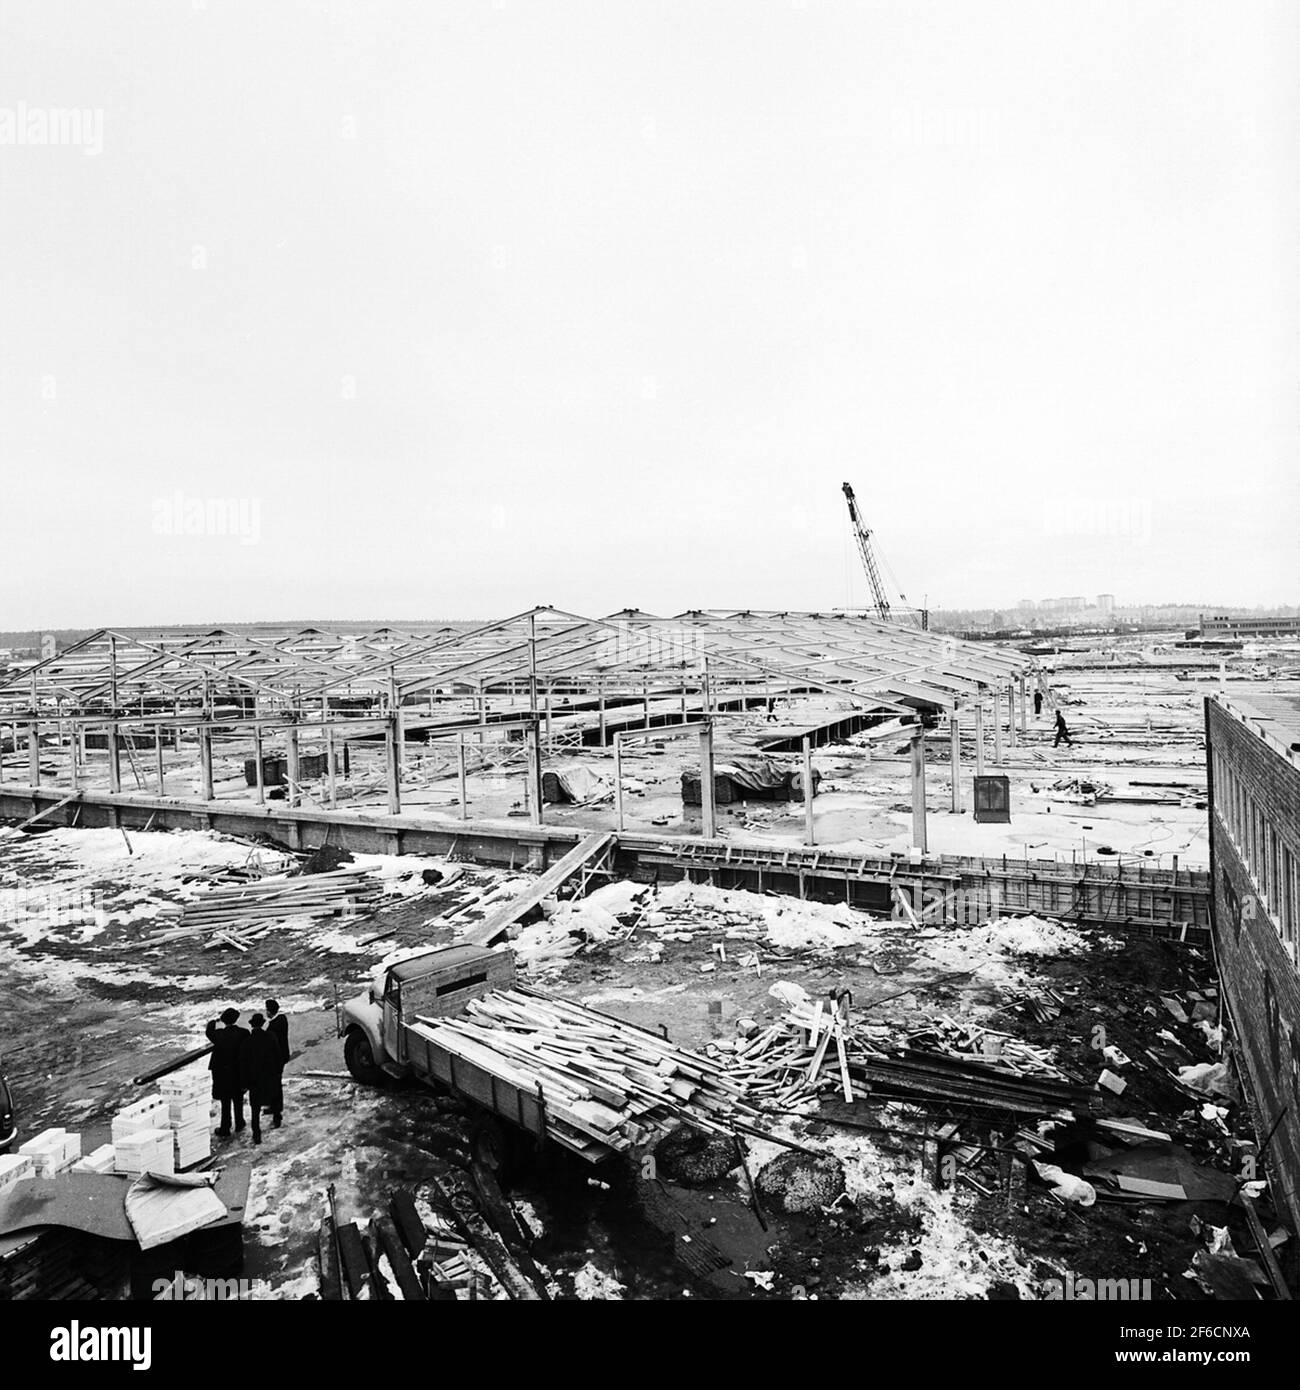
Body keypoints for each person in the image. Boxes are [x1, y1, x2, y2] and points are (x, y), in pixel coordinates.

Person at [239, 1013, 284, 1146]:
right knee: (275, 1097)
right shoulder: (271, 1037)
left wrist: (244, 1083)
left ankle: (256, 1134)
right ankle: (277, 1119)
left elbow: (243, 1063)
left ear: (252, 1025)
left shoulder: (247, 1042)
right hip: (270, 1076)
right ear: (263, 1024)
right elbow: (278, 1055)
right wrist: (278, 1071)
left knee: (255, 1107)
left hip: (255, 1080)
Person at [206, 1008, 248, 1138]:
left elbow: (209, 1031)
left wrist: (214, 1020)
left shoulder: (219, 1035)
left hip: (223, 1072)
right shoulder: (244, 1033)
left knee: (225, 1101)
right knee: (238, 1098)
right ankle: (239, 1122)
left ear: (224, 1020)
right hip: (237, 1070)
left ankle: (225, 1126)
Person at [265, 999, 289, 1127]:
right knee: (276, 1084)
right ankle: (275, 1108)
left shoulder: (273, 1027)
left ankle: (276, 1113)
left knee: (274, 1086)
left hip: (275, 1060)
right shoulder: (282, 1020)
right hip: (282, 1056)